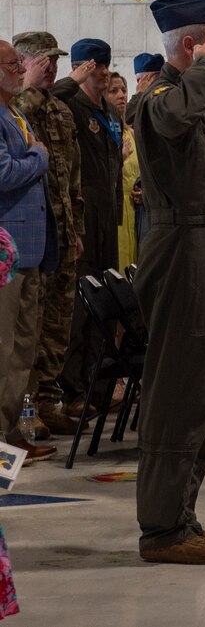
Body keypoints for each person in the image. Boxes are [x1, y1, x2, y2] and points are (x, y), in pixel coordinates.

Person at [127, 0, 205, 564]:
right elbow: (173, 120)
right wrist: (202, 65)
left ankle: (182, 516)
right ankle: (162, 530)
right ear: (193, 46)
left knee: (201, 388)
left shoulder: (201, 99)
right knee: (178, 389)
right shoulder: (159, 100)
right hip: (181, 252)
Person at [12, 32, 82, 438]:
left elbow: (73, 179)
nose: (52, 68)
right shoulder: (18, 109)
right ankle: (25, 410)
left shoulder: (60, 112)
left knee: (58, 322)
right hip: (31, 237)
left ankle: (46, 401)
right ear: (21, 65)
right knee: (30, 328)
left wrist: (78, 229)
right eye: (44, 61)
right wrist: (28, 86)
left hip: (63, 231)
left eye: (55, 61)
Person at [53, 38, 122, 415]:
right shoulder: (71, 104)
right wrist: (72, 79)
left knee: (105, 304)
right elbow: (46, 98)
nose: (102, 73)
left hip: (107, 219)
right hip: (83, 218)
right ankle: (72, 389)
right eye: (93, 68)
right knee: (80, 305)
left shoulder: (111, 111)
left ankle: (99, 385)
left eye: (105, 68)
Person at [0, 38, 56, 462]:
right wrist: (38, 157)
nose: (21, 70)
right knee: (3, 346)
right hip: (7, 251)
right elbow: (3, 173)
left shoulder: (14, 112)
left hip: (31, 247)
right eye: (12, 64)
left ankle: (11, 432)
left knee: (22, 347)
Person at [104, 73, 138, 272]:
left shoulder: (131, 133)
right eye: (114, 91)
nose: (121, 96)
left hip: (135, 212)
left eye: (124, 90)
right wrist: (120, 158)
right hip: (115, 212)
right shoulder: (106, 133)